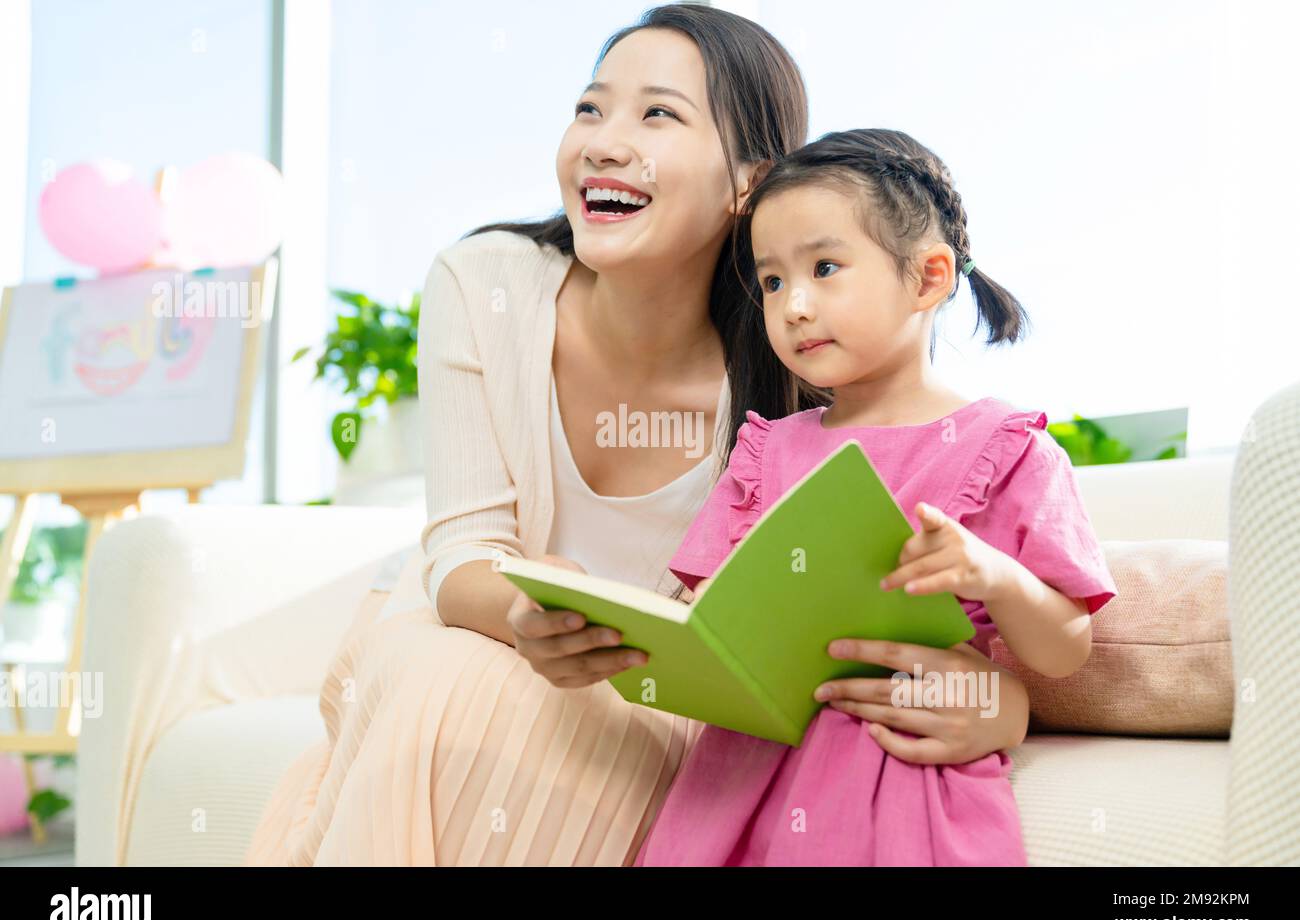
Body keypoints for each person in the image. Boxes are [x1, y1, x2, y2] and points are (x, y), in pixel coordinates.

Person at [244, 9, 1033, 866]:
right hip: (461, 626)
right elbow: (466, 552)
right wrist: (523, 608)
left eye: (657, 115)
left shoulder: (801, 373)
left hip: (649, 704)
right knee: (449, 680)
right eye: (591, 109)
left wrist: (1006, 705)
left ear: (748, 180)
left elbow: (890, 601)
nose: (604, 143)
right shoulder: (483, 284)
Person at [634, 129, 1118, 866]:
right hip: (745, 773)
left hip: (908, 758)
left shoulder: (1008, 446)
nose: (793, 306)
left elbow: (1063, 649)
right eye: (771, 282)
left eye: (825, 268)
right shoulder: (768, 449)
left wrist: (993, 573)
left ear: (927, 278)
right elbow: (708, 622)